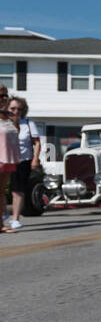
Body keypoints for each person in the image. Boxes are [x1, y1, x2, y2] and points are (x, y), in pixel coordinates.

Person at [8, 97, 40, 229]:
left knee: (17, 190)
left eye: (19, 109)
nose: (16, 111)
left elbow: (37, 142)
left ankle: (15, 218)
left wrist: (35, 159)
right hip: (4, 160)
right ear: (7, 108)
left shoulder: (27, 123)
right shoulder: (2, 122)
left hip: (22, 161)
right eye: (13, 108)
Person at [0, 100, 18, 232]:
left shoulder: (9, 120)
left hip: (8, 159)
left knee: (1, 192)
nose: (3, 98)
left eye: (5, 95)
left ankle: (0, 224)